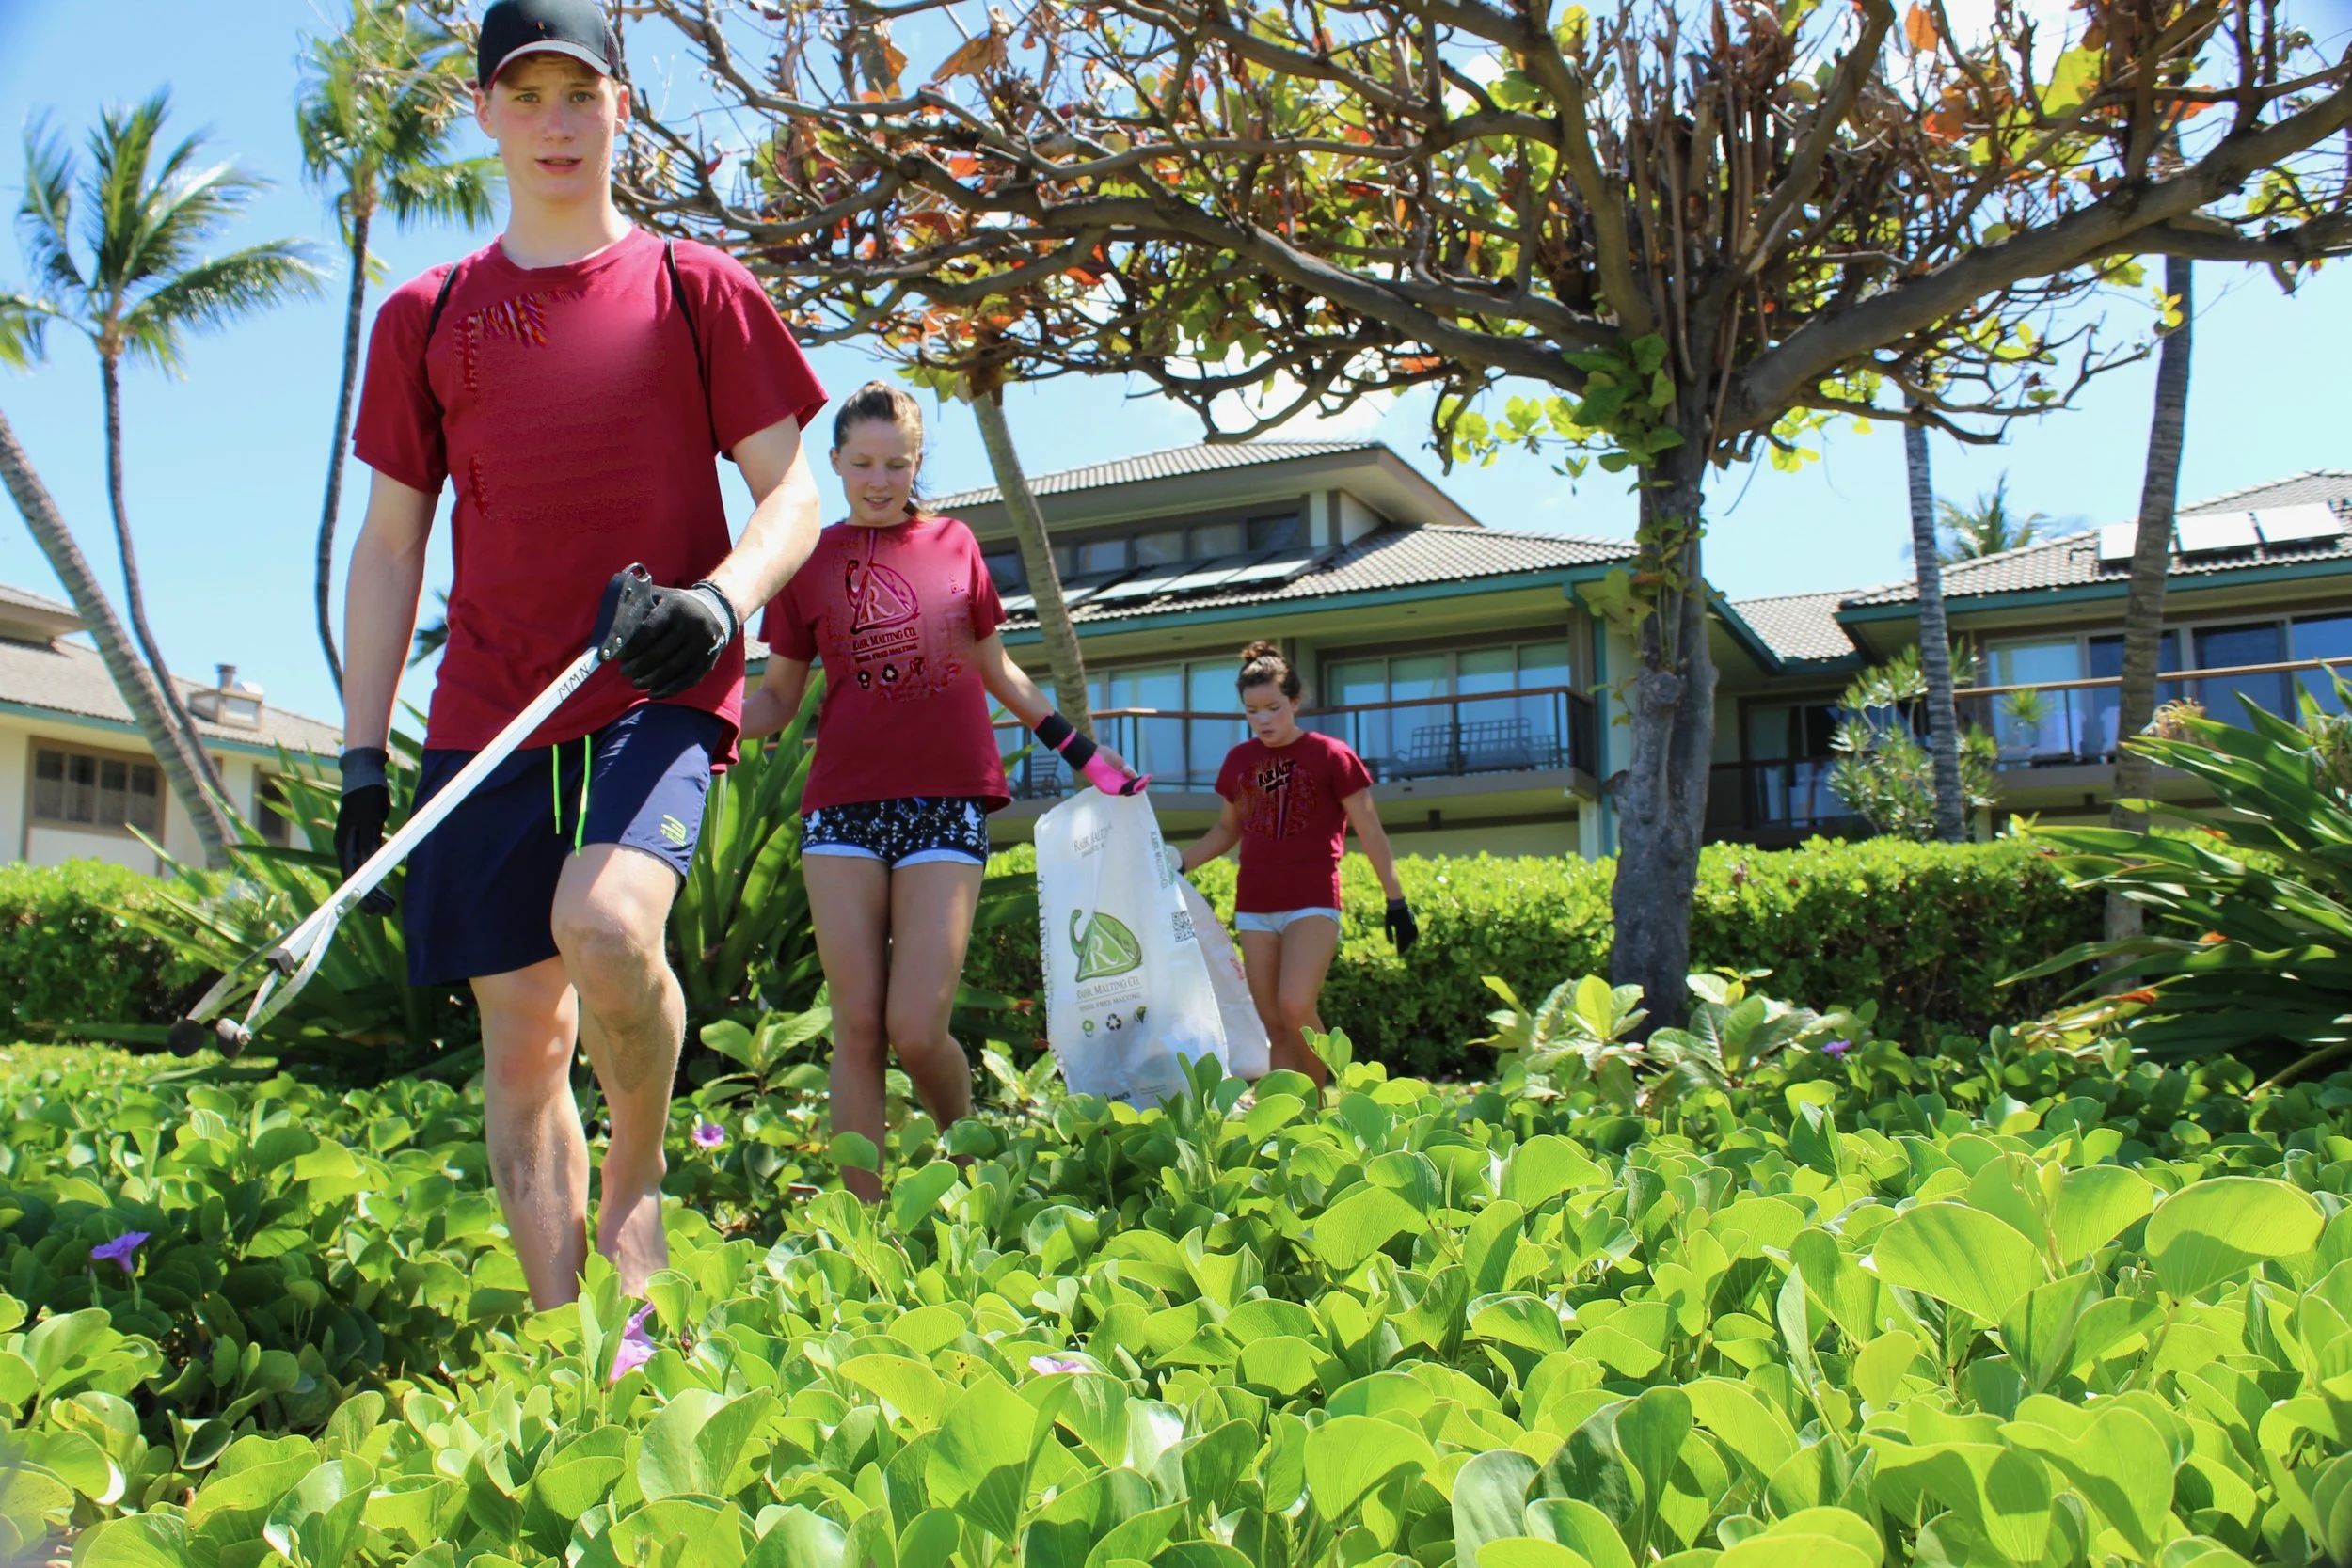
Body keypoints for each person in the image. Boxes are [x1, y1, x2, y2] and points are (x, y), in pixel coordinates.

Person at [335, 0, 827, 1308]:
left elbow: (795, 495)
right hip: (488, 712)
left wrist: (719, 605)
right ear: (485, 115)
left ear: (623, 105)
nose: (556, 121)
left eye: (581, 92)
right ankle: (570, 1345)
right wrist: (354, 761)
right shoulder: (426, 315)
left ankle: (642, 1176)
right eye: (528, 95)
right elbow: (389, 551)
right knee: (521, 1039)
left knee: (606, 928)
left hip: (654, 690)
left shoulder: (695, 287)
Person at [743, 382, 1130, 1202]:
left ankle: (970, 1170)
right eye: (863, 463)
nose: (879, 479)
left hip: (944, 803)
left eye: (897, 463)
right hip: (841, 809)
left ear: (916, 463)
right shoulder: (807, 558)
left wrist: (1086, 757)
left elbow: (999, 670)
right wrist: (684, 712)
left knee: (915, 1028)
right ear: (837, 462)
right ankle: (864, 1226)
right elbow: (776, 697)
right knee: (855, 1026)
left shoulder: (954, 543)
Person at [1174, 641, 1416, 1084]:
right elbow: (1228, 830)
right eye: (1252, 711)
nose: (1263, 720)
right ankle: (1290, 1126)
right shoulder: (1240, 761)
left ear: (1295, 701)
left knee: (1295, 1005)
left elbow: (1371, 830)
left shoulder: (1331, 755)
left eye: (1273, 707)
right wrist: (1178, 864)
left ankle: (1331, 1104)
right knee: (1274, 1024)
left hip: (1312, 901)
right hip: (1254, 905)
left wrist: (1396, 900)